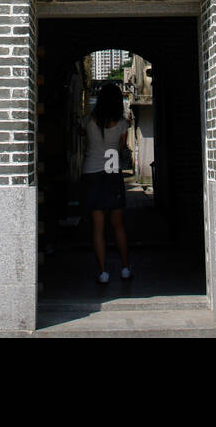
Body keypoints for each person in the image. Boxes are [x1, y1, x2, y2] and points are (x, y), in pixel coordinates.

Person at [82, 81, 132, 284]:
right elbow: (120, 149)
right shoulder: (122, 124)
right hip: (112, 172)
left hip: (92, 173)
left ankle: (103, 272)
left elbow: (86, 140)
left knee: (98, 227)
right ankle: (125, 268)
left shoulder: (88, 121)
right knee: (118, 225)